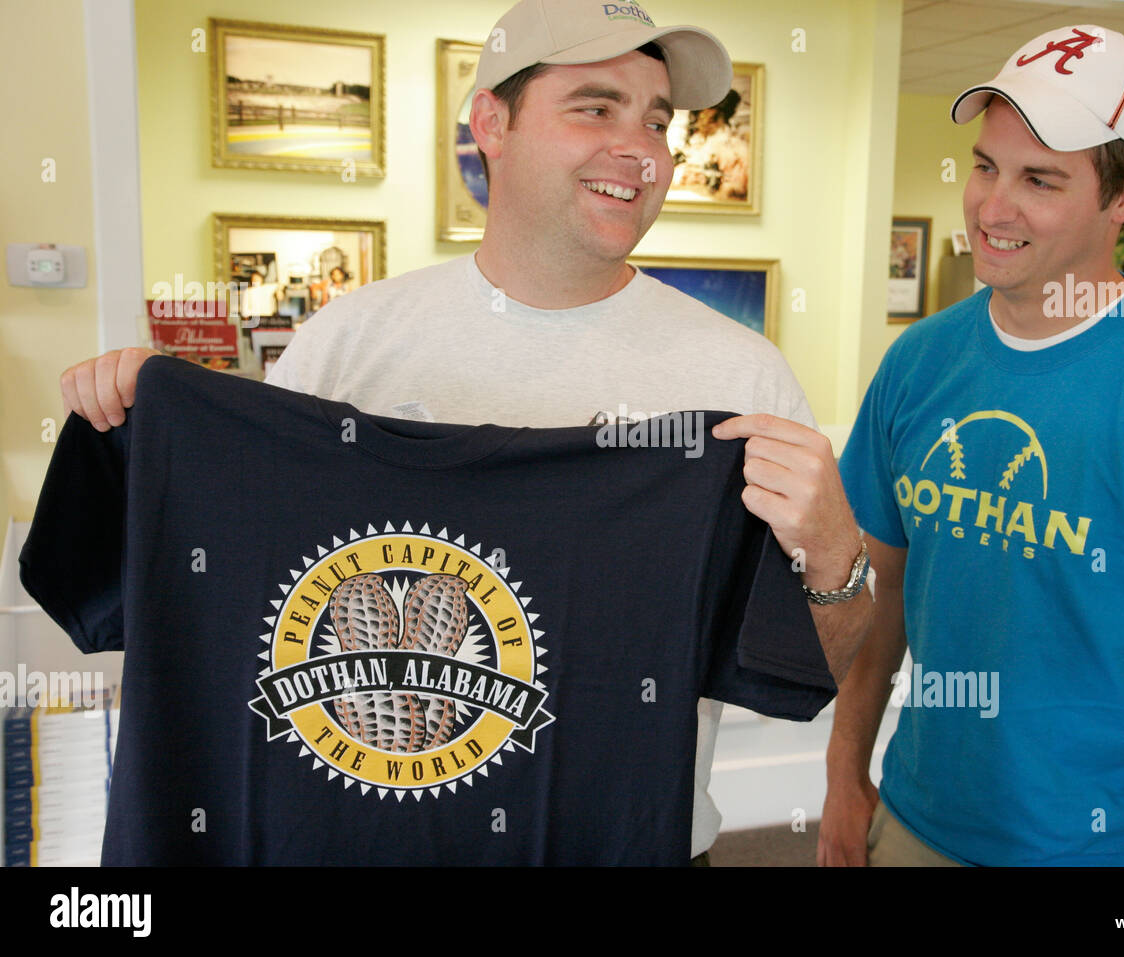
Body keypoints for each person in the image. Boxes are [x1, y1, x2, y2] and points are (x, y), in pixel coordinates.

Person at [58, 0, 870, 864]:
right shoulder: (349, 338)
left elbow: (802, 671)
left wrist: (833, 559)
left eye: (659, 121)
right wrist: (144, 418)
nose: (641, 149)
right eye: (596, 107)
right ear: (492, 121)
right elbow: (221, 586)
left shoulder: (739, 382)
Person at [820, 24, 1124, 867]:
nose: (991, 208)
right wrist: (843, 773)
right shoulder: (919, 363)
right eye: (984, 166)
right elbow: (881, 591)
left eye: (1039, 179)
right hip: (918, 823)